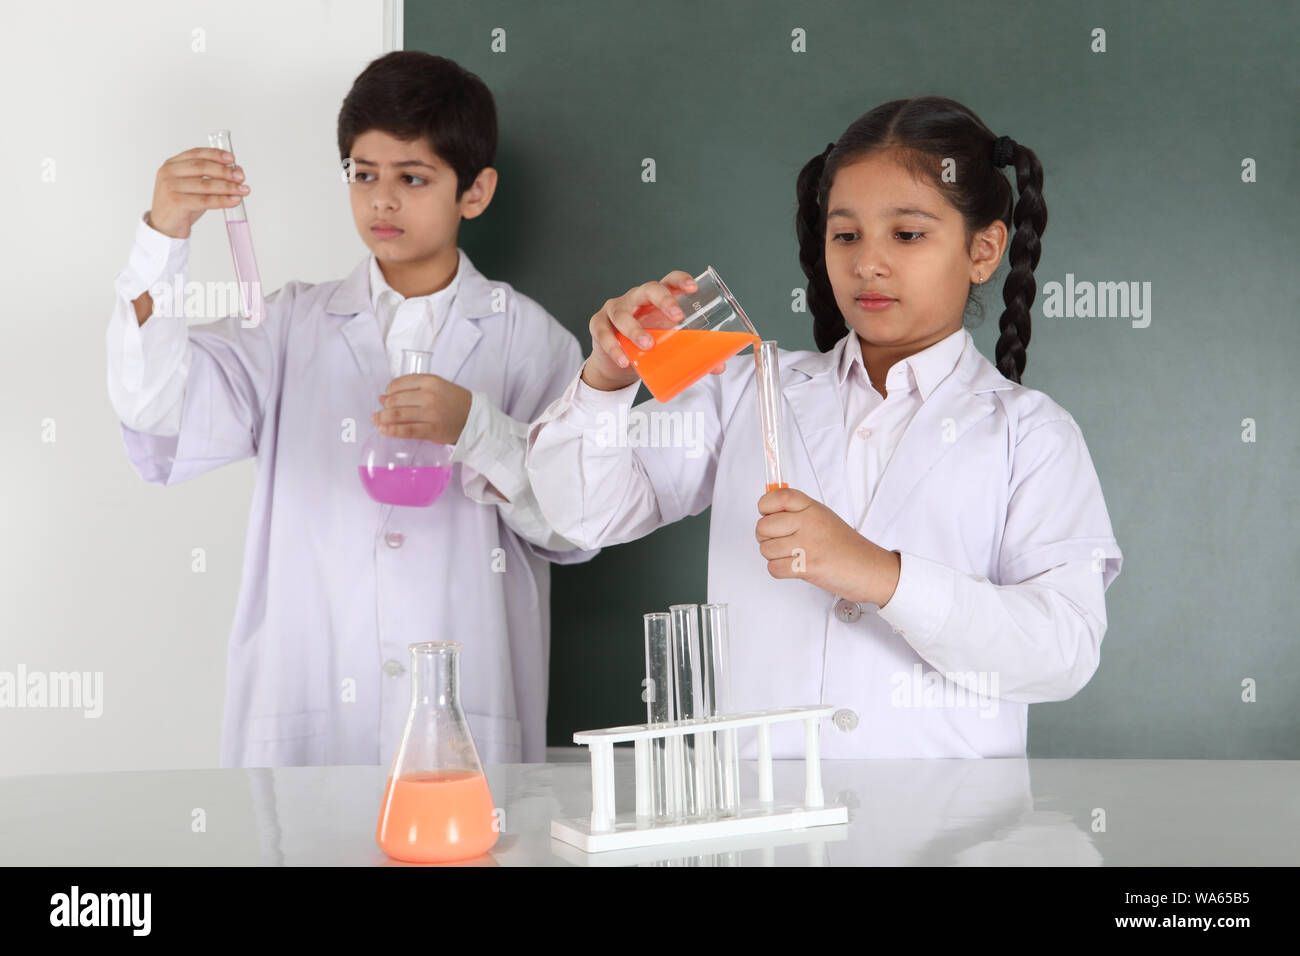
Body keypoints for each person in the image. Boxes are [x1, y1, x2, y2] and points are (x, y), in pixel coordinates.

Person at [525, 96, 1123, 759]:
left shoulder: (1031, 434)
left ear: (982, 250)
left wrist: (881, 575)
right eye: (846, 234)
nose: (868, 262)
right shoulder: (748, 389)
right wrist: (607, 380)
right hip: (763, 821)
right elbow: (579, 515)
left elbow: (1061, 653)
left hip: (949, 831)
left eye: (907, 234)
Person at [106, 52, 595, 768]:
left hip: (462, 730)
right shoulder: (286, 327)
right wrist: (163, 236)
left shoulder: (528, 340)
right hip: (304, 716)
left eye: (412, 178)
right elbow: (153, 404)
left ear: (476, 192)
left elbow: (575, 523)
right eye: (363, 175)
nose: (382, 201)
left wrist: (476, 429)